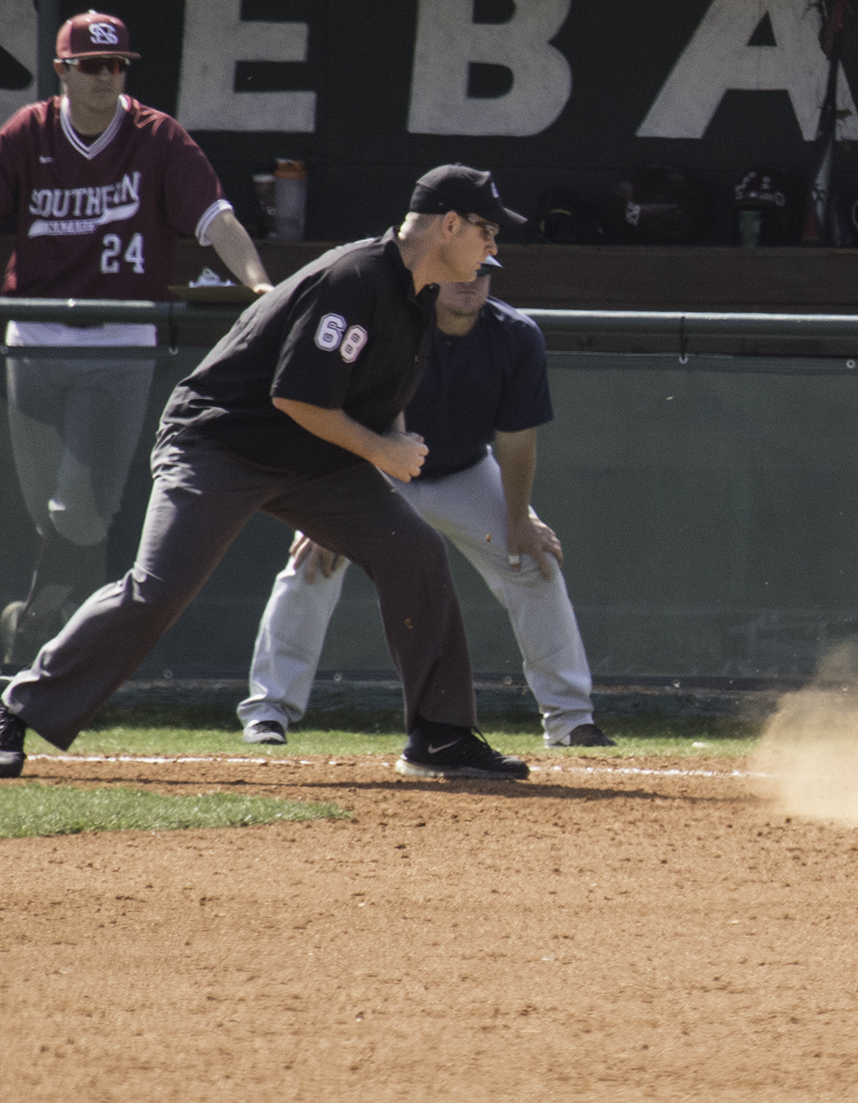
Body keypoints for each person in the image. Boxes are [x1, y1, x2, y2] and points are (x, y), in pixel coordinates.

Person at [0, 164, 532, 782]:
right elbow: (296, 396)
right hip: (220, 443)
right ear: (449, 225)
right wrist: (382, 453)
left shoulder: (417, 296)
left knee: (412, 549)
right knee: (161, 586)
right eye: (487, 230)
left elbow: (378, 400)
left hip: (315, 461)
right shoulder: (354, 279)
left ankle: (440, 736)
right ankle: (15, 707)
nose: (493, 246)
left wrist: (366, 482)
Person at [236, 264, 615, 749]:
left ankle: (570, 720)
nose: (471, 280)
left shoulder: (515, 335)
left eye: (483, 271)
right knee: (312, 561)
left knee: (534, 560)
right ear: (433, 275)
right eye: (460, 270)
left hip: (465, 471)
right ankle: (268, 711)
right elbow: (333, 409)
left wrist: (520, 519)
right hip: (373, 466)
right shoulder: (393, 322)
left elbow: (517, 438)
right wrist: (321, 509)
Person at [0, 10, 273, 665]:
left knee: (84, 511)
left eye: (117, 65)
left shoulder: (156, 136)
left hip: (119, 345)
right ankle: (50, 633)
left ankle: (39, 637)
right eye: (92, 65)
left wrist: (262, 285)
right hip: (32, 341)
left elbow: (217, 220)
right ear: (62, 70)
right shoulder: (28, 132)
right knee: (48, 513)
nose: (105, 76)